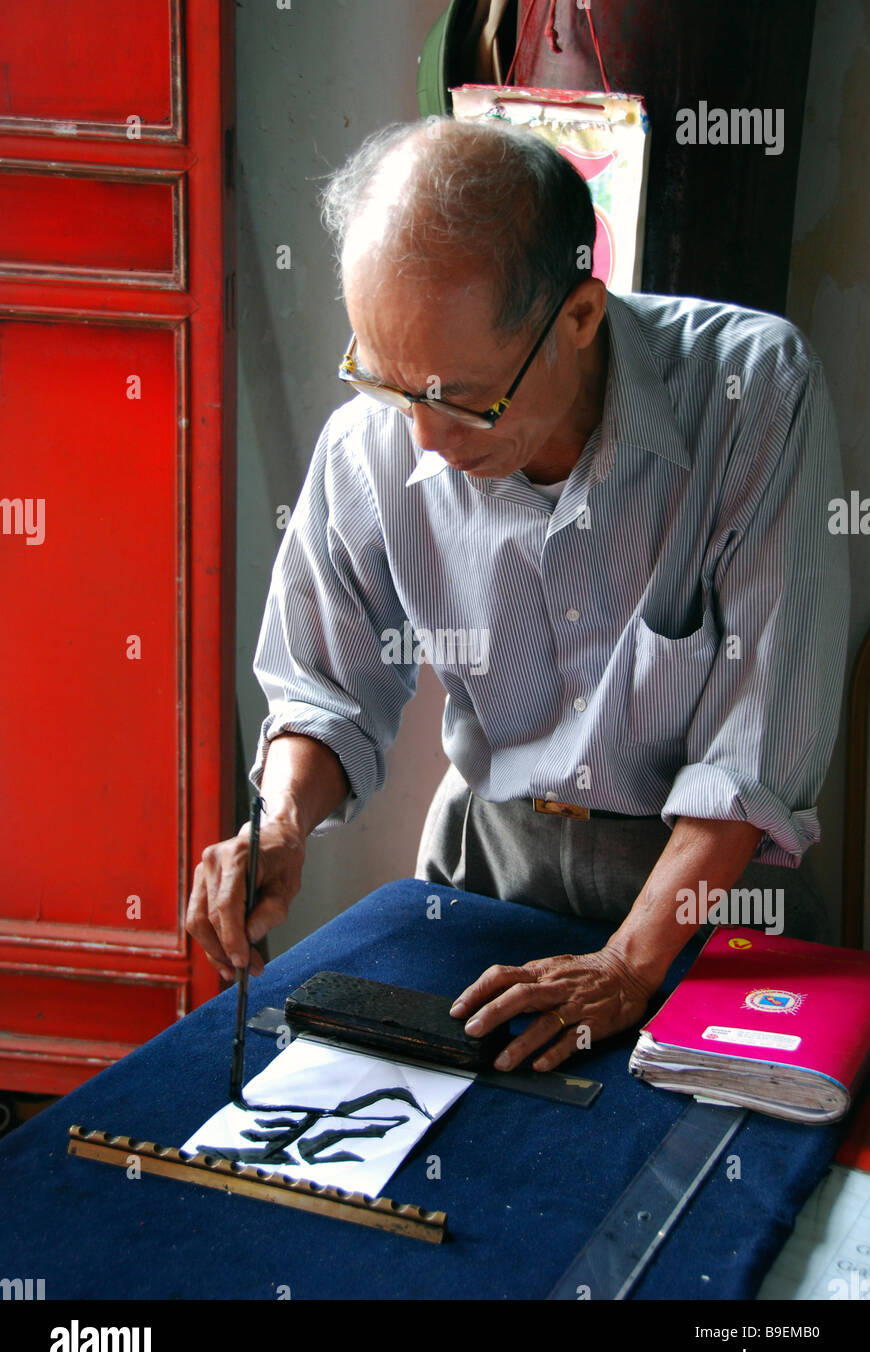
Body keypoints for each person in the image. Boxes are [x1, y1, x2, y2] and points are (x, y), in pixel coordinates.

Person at [185, 117, 849, 1074]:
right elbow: (326, 690)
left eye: (458, 398)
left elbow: (754, 754)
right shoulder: (375, 442)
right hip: (488, 872)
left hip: (709, 895)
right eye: (385, 381)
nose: (418, 437)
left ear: (579, 316)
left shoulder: (752, 395)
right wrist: (281, 821)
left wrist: (627, 964)